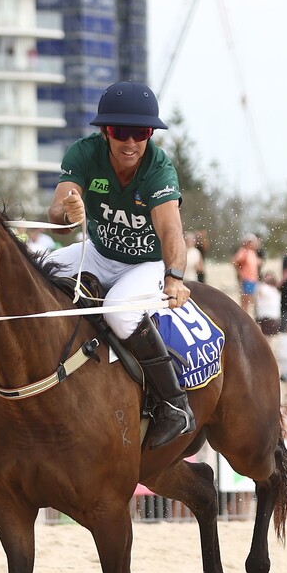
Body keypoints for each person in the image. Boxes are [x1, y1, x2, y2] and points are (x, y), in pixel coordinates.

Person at [35, 81, 197, 447]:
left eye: (140, 133)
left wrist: (174, 276)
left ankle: (175, 403)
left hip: (145, 264)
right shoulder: (83, 153)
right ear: (105, 132)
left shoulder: (158, 169)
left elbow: (171, 231)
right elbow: (59, 217)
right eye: (119, 132)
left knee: (120, 310)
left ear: (149, 135)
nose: (130, 142)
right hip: (97, 251)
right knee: (31, 273)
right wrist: (68, 212)